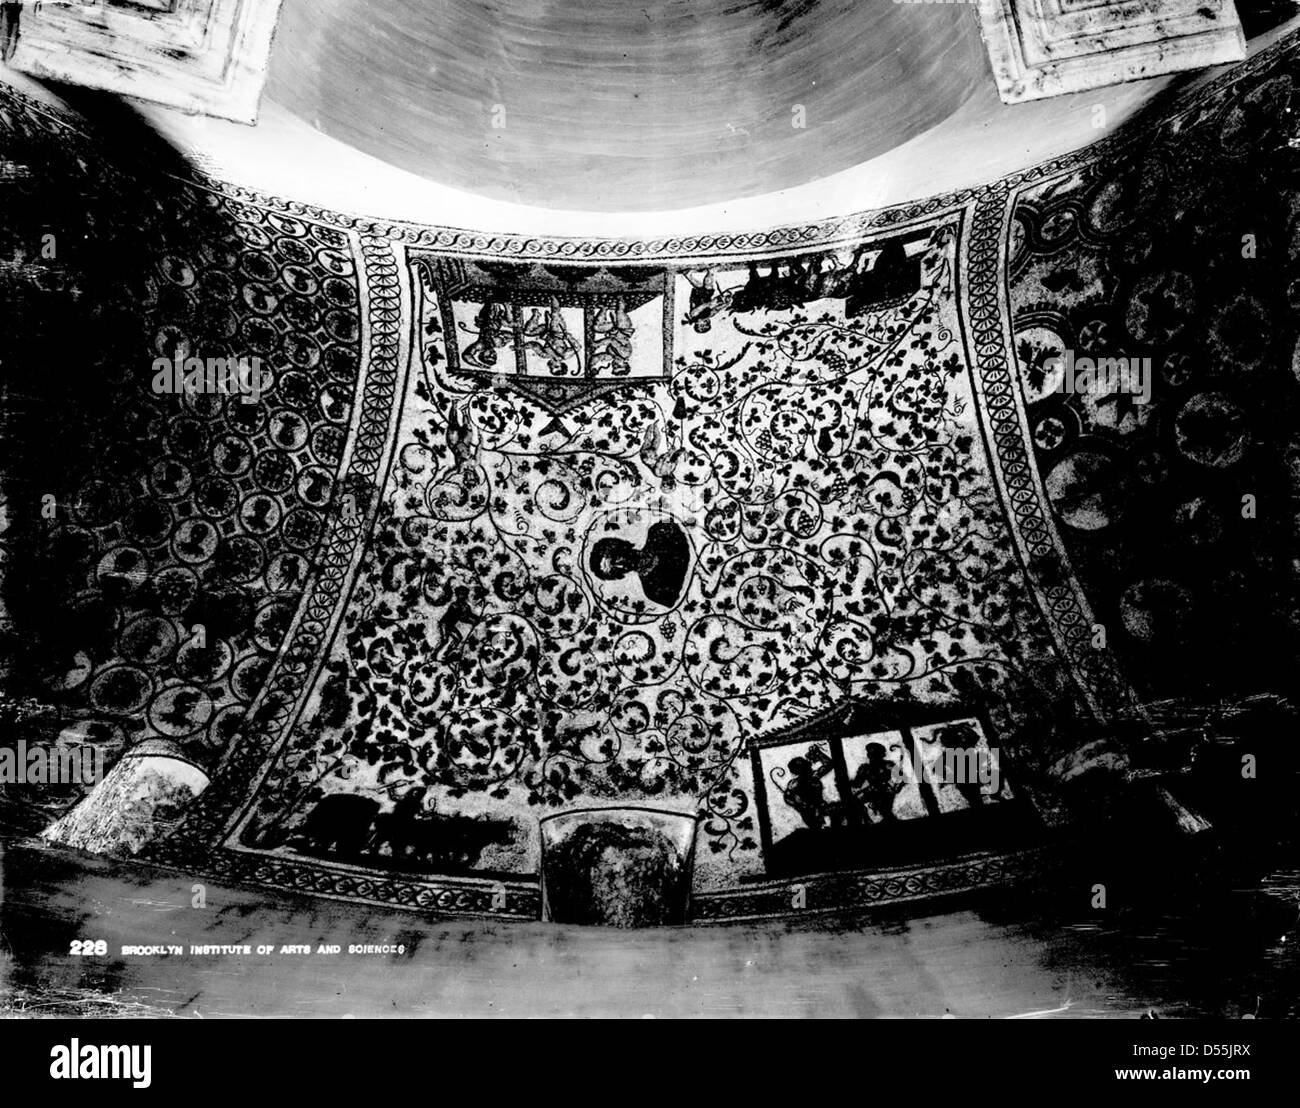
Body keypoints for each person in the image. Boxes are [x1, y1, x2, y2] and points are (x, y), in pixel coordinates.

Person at [590, 519, 690, 607]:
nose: (621, 565)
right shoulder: (653, 592)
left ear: (619, 546)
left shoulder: (659, 530)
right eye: (615, 570)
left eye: (615, 559)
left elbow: (686, 524)